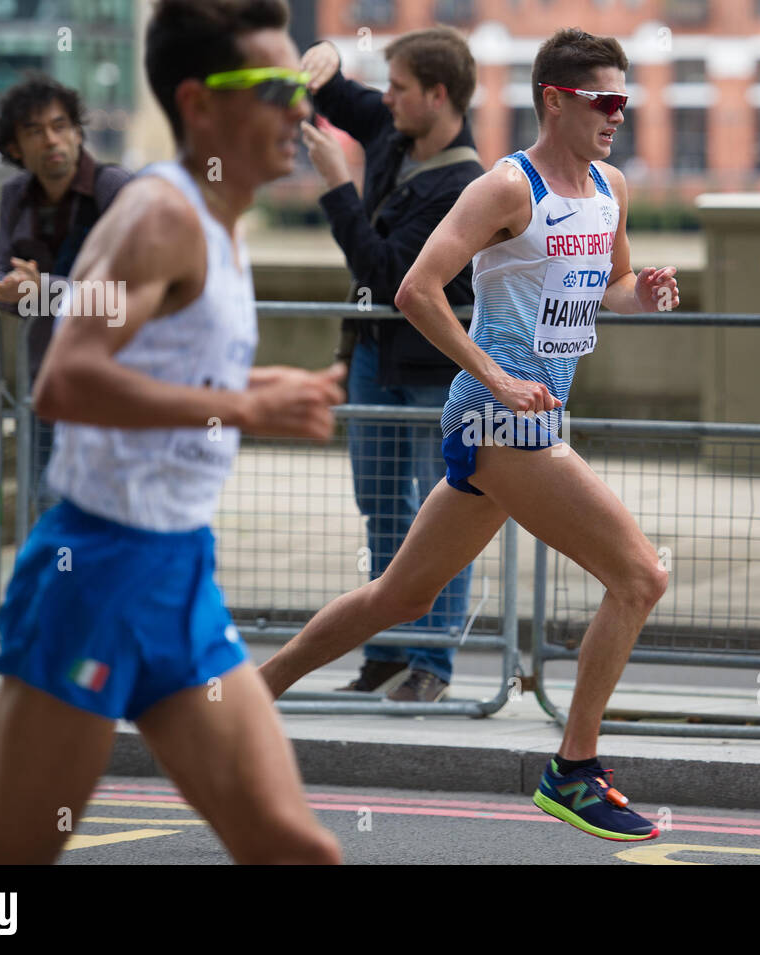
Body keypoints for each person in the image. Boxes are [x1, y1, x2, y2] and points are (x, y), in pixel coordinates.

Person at [0, 0, 345, 865]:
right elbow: (67, 379)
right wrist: (242, 408)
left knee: (293, 851)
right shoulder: (160, 216)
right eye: (275, 87)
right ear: (200, 103)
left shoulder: (222, 224)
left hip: (177, 575)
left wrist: (250, 385)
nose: (300, 108)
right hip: (93, 574)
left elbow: (163, 363)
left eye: (299, 84)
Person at [260, 28, 679, 841]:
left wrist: (645, 292)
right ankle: (575, 770)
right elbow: (415, 290)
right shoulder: (503, 188)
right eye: (604, 101)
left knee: (401, 595)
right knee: (640, 576)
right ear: (555, 100)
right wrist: (491, 373)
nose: (617, 116)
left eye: (625, 102)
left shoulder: (610, 187)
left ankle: (248, 694)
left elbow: (615, 286)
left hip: (538, 418)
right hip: (498, 422)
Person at [297, 28, 483, 701]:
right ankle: (384, 649)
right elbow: (333, 91)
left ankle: (431, 662)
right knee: (380, 506)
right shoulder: (393, 130)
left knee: (444, 519)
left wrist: (336, 188)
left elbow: (383, 270)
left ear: (437, 97)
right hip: (374, 356)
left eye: (399, 87)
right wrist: (324, 59)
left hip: (435, 368)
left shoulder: (466, 186)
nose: (386, 98)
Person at [0, 73, 132, 512]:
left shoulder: (115, 190)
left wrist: (39, 289)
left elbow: (130, 294)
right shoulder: (15, 196)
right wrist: (11, 292)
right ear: (14, 148)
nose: (51, 140)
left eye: (60, 126)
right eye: (34, 131)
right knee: (39, 505)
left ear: (78, 132)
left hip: (111, 384)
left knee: (78, 505)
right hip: (45, 383)